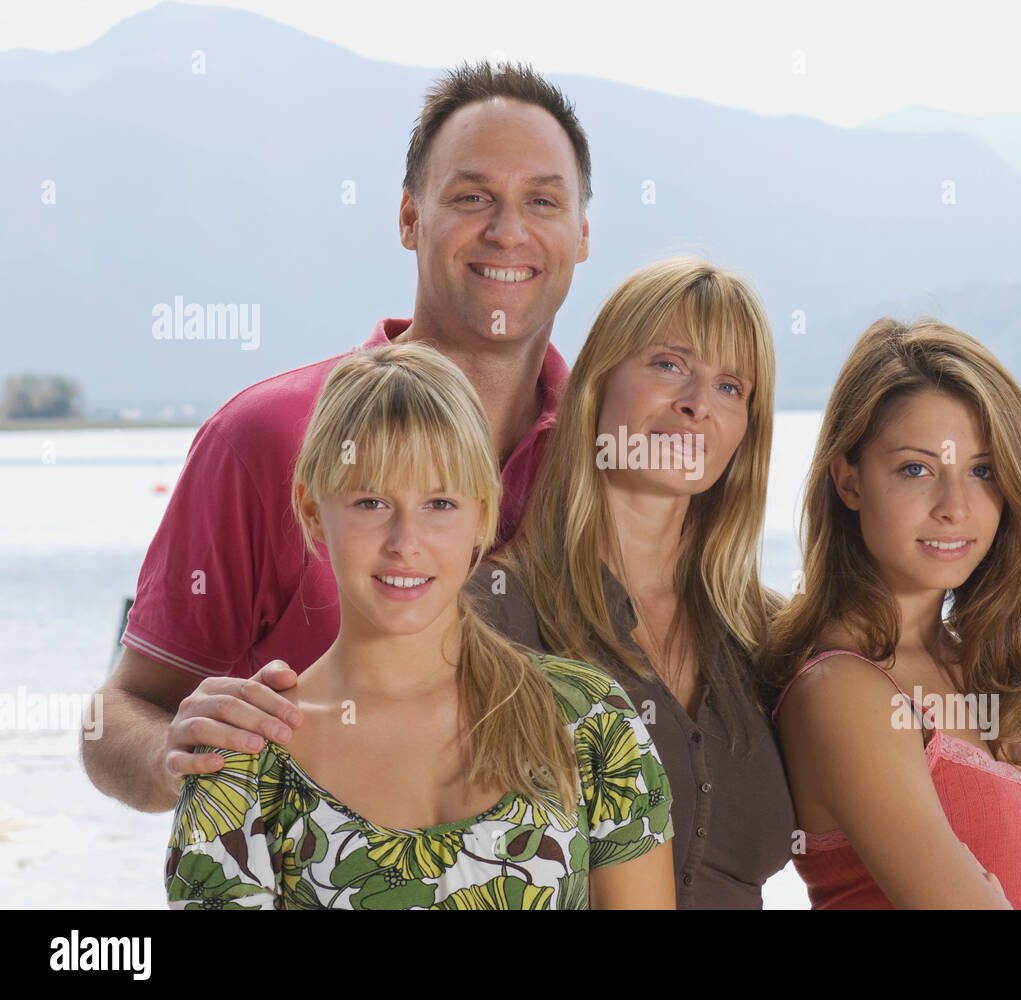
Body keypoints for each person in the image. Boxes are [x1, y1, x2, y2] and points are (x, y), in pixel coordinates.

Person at [84, 61, 592, 813]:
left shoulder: (609, 447)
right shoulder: (266, 436)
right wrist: (171, 753)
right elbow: (114, 717)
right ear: (409, 219)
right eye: (472, 196)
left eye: (542, 200)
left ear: (581, 234)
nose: (507, 230)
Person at [164, 343, 674, 909]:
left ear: (483, 514)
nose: (405, 543)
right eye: (371, 501)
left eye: (440, 503)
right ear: (311, 513)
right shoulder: (240, 765)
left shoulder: (592, 722)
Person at [766, 318, 1021, 909]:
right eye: (916, 469)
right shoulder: (841, 692)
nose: (956, 507)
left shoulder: (1000, 670)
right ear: (849, 481)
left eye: (982, 471)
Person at [469, 257, 797, 908]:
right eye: (669, 364)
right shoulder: (493, 616)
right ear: (597, 383)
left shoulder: (770, 636)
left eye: (731, 387)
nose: (697, 405)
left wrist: (997, 710)